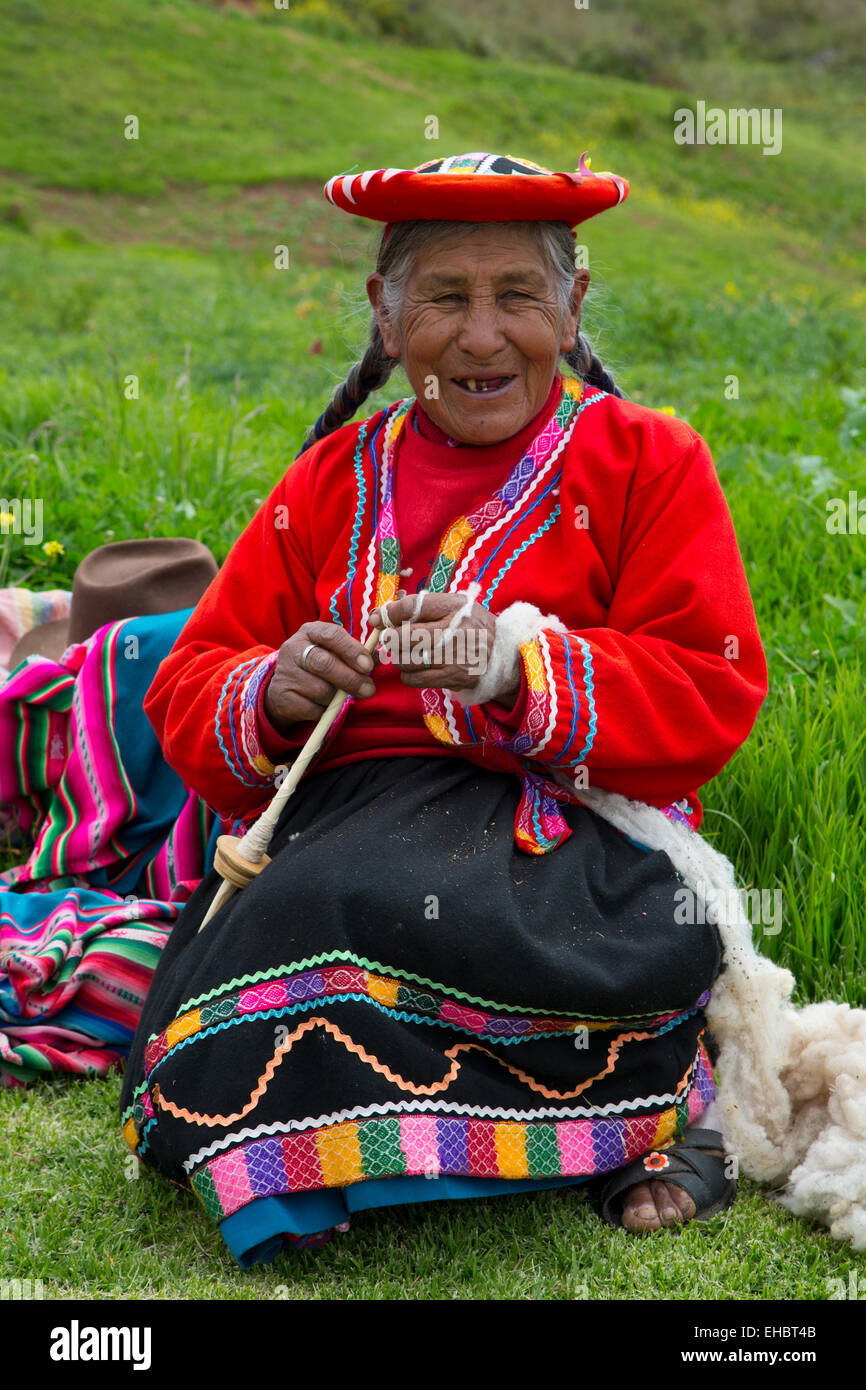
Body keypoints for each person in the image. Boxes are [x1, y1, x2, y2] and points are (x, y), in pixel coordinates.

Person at [120, 153, 767, 1267]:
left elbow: (709, 686)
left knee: (365, 913)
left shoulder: (647, 463)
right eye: (442, 298)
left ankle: (640, 1112)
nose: (479, 336)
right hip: (337, 841)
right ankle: (438, 1149)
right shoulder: (327, 482)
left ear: (570, 311)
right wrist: (266, 689)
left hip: (568, 847)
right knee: (290, 921)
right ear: (382, 318)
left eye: (516, 295)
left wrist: (517, 669)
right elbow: (193, 678)